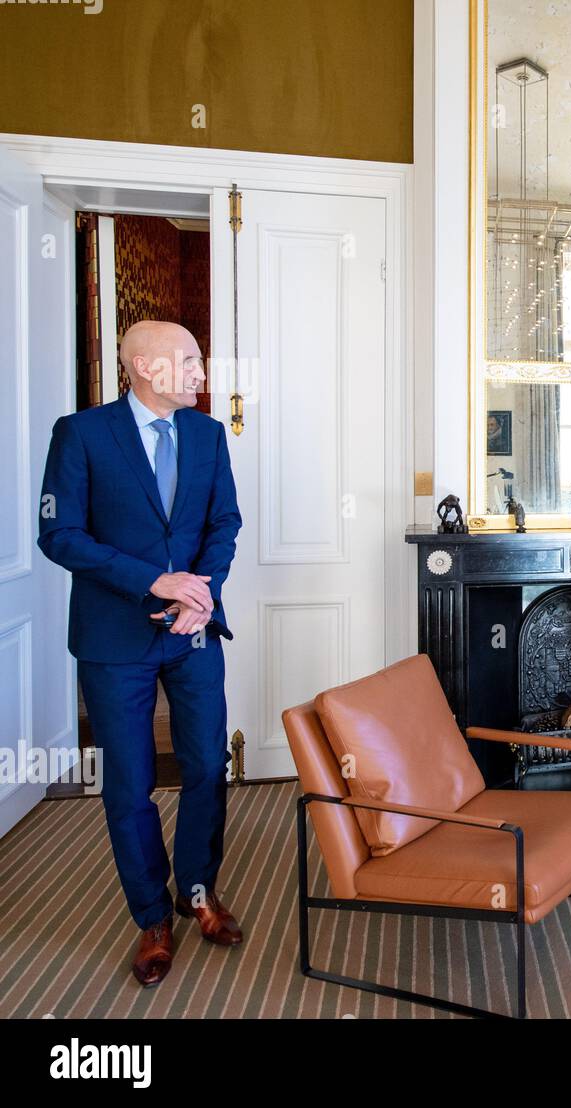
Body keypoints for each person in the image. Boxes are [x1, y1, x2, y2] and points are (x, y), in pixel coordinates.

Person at [37, 320, 244, 988]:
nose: (201, 375)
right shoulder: (82, 434)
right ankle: (152, 917)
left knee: (209, 765)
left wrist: (199, 593)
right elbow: (60, 535)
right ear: (147, 367)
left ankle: (198, 892)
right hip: (113, 637)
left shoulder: (210, 436)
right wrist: (153, 581)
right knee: (129, 782)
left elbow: (223, 524)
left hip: (195, 632)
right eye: (190, 361)